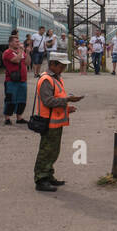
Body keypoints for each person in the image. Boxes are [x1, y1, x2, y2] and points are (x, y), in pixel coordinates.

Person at [33, 51, 82, 192]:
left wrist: (67, 108)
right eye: (61, 66)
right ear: (52, 64)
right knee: (46, 151)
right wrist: (67, 100)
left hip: (56, 121)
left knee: (53, 151)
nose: (63, 69)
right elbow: (48, 101)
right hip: (48, 122)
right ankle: (41, 179)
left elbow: (56, 99)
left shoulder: (56, 78)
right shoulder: (46, 80)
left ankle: (48, 175)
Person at [2, 35, 29, 125]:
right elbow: (16, 60)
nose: (18, 43)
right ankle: (7, 118)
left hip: (22, 80)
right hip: (11, 81)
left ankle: (19, 118)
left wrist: (27, 53)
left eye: (18, 41)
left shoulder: (20, 52)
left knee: (22, 100)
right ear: (10, 43)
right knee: (10, 100)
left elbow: (27, 63)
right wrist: (21, 51)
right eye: (16, 42)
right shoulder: (7, 52)